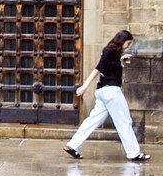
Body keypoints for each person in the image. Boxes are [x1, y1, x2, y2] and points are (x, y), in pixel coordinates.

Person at [63, 30, 150, 161]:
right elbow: (98, 69)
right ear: (122, 41)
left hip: (103, 91)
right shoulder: (111, 52)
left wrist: (120, 60)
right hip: (111, 91)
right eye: (128, 43)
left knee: (93, 120)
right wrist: (85, 86)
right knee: (124, 121)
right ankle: (134, 153)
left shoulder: (111, 52)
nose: (128, 46)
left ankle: (73, 145)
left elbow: (107, 67)